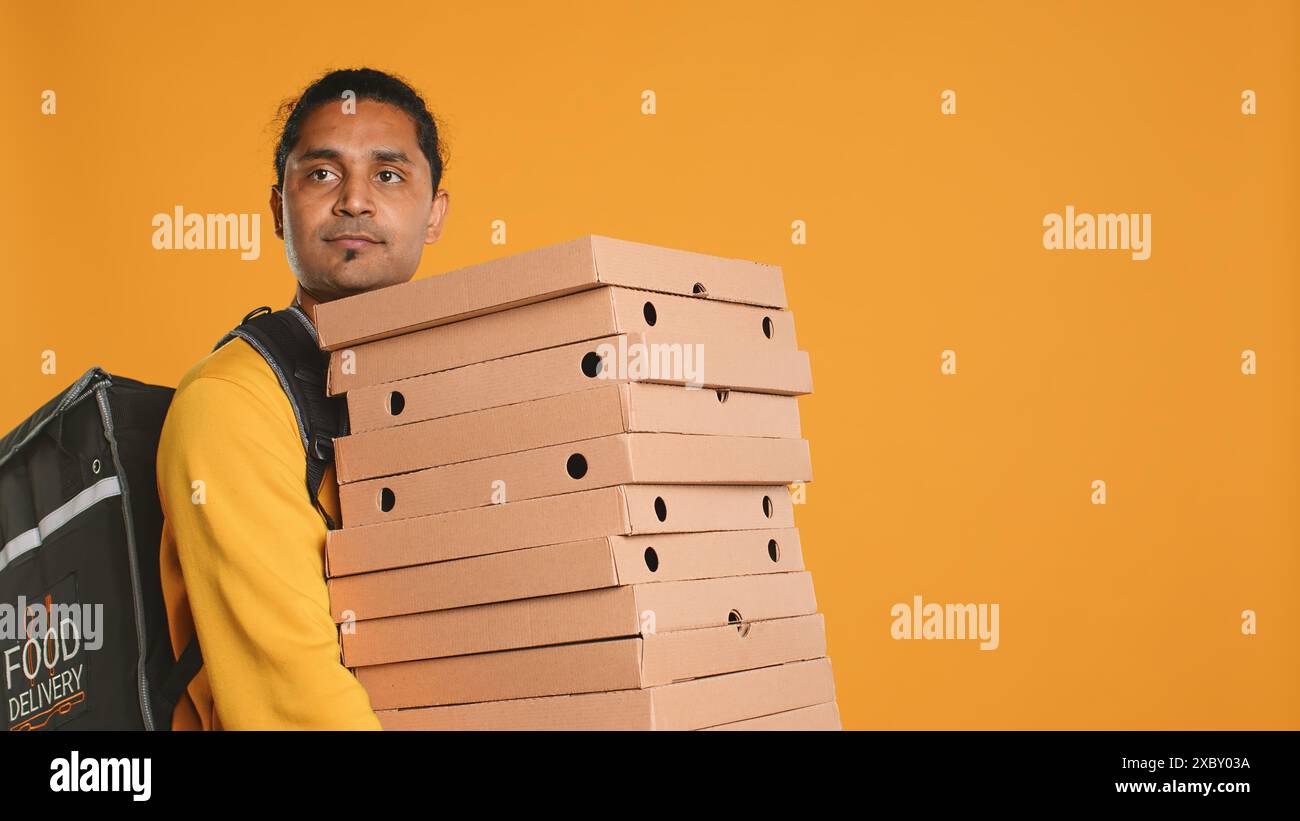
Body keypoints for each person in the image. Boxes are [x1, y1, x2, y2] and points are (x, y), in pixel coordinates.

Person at [156, 67, 451, 729]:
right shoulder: (232, 404)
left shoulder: (444, 398)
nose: (353, 200)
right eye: (321, 174)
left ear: (435, 213)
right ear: (276, 209)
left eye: (389, 174)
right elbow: (295, 708)